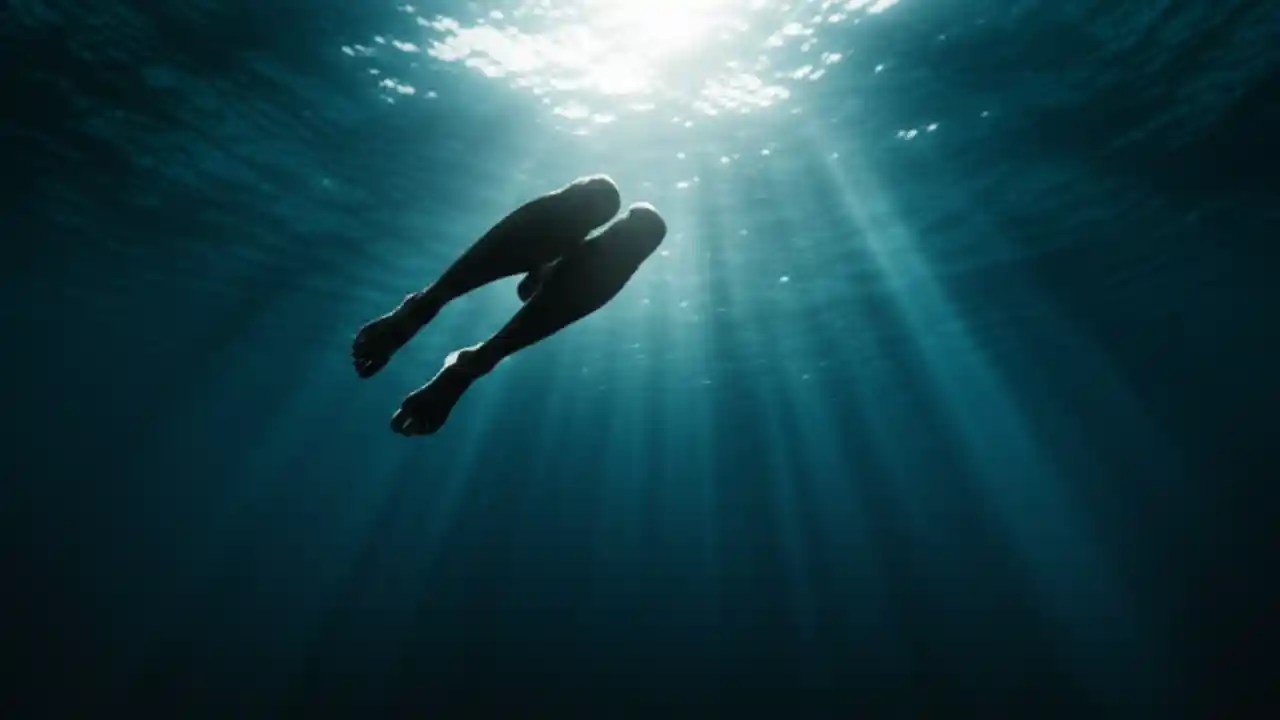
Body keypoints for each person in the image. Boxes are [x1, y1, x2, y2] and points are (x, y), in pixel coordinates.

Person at [351, 175, 667, 436]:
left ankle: (435, 313)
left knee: (624, 215)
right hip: (574, 266)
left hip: (567, 252)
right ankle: (468, 351)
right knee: (608, 203)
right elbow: (526, 291)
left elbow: (526, 289)